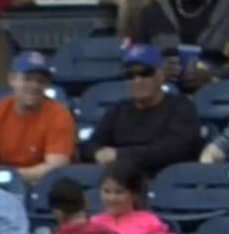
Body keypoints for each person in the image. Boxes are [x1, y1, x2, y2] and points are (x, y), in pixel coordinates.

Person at [78, 45, 203, 177]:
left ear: (160, 75)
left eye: (146, 73)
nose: (138, 80)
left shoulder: (181, 107)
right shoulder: (118, 110)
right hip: (124, 183)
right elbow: (89, 146)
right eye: (130, 75)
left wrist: (121, 155)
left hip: (165, 181)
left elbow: (175, 149)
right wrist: (97, 153)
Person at [0, 51, 77, 184]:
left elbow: (56, 168)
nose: (34, 86)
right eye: (27, 79)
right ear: (12, 79)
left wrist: (11, 175)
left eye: (40, 81)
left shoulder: (59, 115)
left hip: (42, 184)